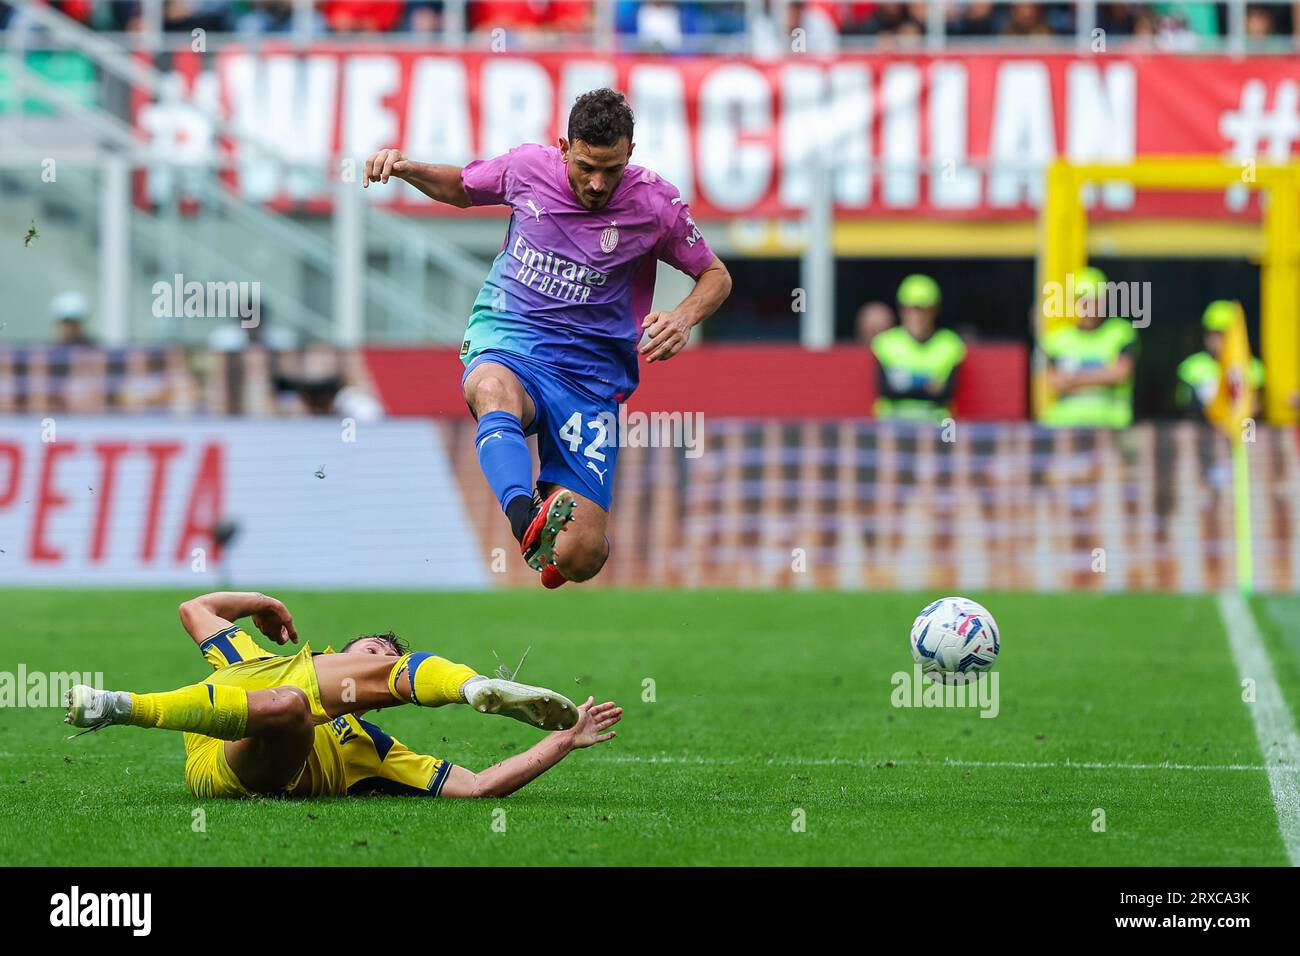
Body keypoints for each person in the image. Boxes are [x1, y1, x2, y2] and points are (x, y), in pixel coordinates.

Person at [362, 88, 732, 589]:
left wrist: (684, 317)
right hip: (512, 336)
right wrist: (407, 168)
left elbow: (715, 275)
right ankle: (524, 516)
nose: (598, 183)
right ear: (563, 147)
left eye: (612, 169)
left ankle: (560, 533)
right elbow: (460, 188)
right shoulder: (526, 168)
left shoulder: (655, 205)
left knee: (580, 558)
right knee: (492, 388)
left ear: (630, 155)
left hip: (590, 378)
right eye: (586, 166)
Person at [65, 590, 621, 799]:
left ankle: (470, 685)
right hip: (220, 723)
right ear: (333, 653)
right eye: (366, 651)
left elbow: (476, 786)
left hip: (240, 770)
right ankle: (463, 682)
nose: (372, 659)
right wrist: (260, 600)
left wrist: (566, 742)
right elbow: (195, 610)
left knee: (290, 710)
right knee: (289, 698)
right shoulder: (254, 658)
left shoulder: (370, 747)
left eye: (383, 655)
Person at [1040, 267, 1137, 429]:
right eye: (1083, 299)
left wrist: (1072, 379)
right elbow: (1053, 380)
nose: (1088, 306)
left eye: (1094, 300)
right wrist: (1102, 374)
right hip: (1065, 427)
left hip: (1111, 426)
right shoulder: (1057, 339)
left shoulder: (1121, 333)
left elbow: (1120, 373)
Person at [871, 274, 965, 422]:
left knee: (951, 433)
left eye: (922, 309)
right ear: (901, 310)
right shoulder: (886, 343)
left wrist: (905, 383)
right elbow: (886, 391)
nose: (916, 315)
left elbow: (946, 394)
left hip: (938, 421)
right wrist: (928, 385)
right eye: (910, 308)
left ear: (934, 310)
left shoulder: (950, 344)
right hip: (893, 421)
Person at [1176, 299, 1264, 418]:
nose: (1213, 339)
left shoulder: (1254, 369)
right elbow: (1180, 408)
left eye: (1221, 333)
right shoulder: (1192, 367)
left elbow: (1257, 408)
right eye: (1210, 332)